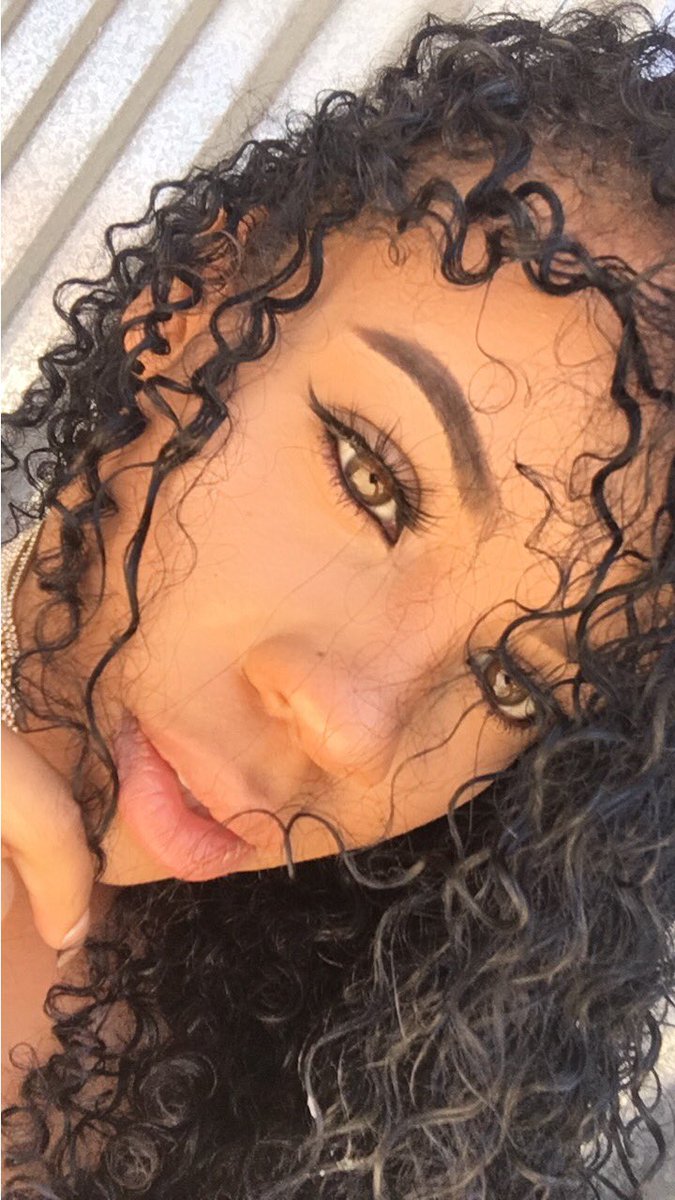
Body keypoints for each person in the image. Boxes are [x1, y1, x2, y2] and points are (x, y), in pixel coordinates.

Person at [1, 5, 673, 1197]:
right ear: (187, 313)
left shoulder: (344, 1137)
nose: (355, 729)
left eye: (518, 683)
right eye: (374, 478)